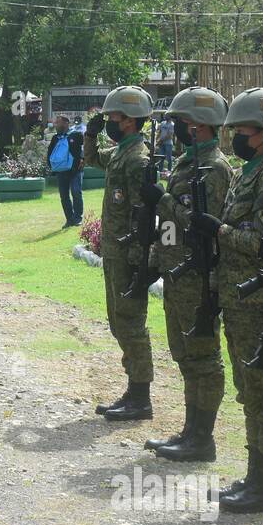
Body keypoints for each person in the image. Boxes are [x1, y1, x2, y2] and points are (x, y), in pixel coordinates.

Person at [189, 86, 263, 514]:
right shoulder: (252, 170)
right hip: (239, 299)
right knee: (249, 389)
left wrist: (218, 231)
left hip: (259, 304)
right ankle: (255, 478)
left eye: (243, 130)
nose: (235, 137)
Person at [142, 87, 233, 462]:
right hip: (178, 273)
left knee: (202, 357)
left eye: (179, 122)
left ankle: (202, 437)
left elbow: (200, 224)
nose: (174, 128)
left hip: (198, 276)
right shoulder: (188, 161)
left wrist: (161, 200)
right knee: (183, 354)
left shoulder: (214, 168)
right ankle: (191, 430)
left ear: (196, 125)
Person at [84, 85, 155, 421]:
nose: (109, 121)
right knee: (119, 323)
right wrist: (90, 135)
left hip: (128, 254)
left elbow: (144, 213)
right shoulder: (122, 152)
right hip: (114, 252)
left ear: (128, 121)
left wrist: (138, 257)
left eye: (113, 117)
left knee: (131, 323)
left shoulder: (137, 158)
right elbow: (93, 159)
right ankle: (133, 390)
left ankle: (141, 398)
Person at [47, 115, 84, 228]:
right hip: (61, 171)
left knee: (76, 192)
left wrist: (83, 159)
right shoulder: (55, 138)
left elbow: (84, 148)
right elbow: (50, 153)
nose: (56, 125)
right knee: (64, 196)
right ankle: (69, 219)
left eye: (58, 122)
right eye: (56, 123)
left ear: (66, 123)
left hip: (75, 170)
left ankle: (78, 218)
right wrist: (51, 165)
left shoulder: (76, 135)